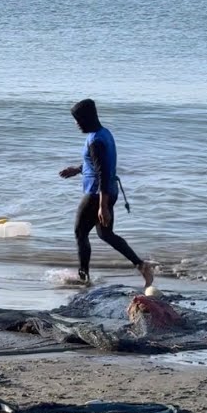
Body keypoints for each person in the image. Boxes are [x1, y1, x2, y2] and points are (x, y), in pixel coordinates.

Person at [58, 98, 155, 287]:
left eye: (78, 119)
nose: (76, 124)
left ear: (87, 118)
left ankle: (83, 277)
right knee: (105, 234)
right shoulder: (103, 134)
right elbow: (98, 163)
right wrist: (78, 169)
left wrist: (103, 206)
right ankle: (142, 266)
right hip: (109, 190)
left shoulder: (95, 141)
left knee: (80, 232)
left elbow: (102, 172)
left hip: (97, 194)